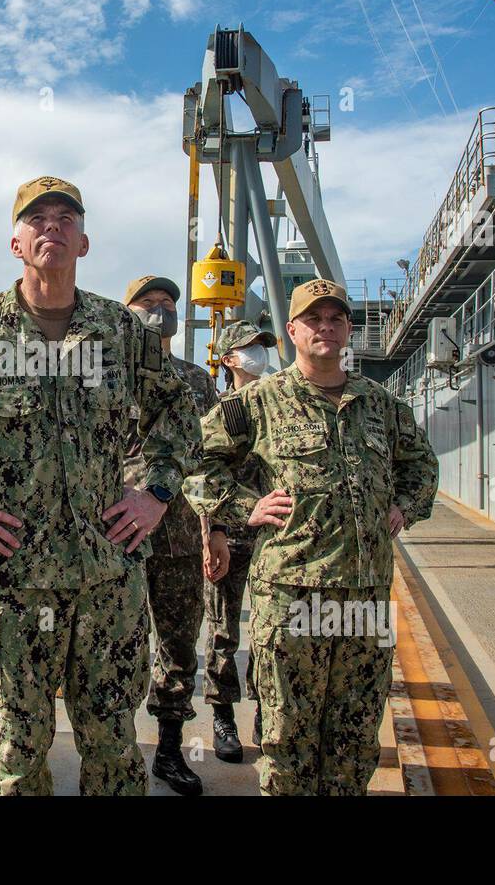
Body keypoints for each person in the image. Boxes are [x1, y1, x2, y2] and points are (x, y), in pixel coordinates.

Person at [0, 178, 198, 795]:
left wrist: (155, 494)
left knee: (112, 751)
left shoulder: (122, 332)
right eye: (37, 218)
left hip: (107, 582)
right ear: (15, 241)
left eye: (65, 218)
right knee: (16, 758)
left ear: (84, 242)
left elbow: (177, 412)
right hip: (10, 586)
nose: (51, 227)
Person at [191, 279, 438, 794]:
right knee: (288, 739)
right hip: (290, 595)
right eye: (313, 319)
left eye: (335, 319)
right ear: (292, 331)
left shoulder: (382, 405)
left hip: (366, 596)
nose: (325, 328)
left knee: (355, 740)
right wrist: (244, 508)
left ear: (348, 329)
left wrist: (403, 507)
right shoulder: (258, 403)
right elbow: (197, 462)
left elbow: (422, 466)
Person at [122, 275, 216, 795]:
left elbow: (210, 460)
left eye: (168, 304)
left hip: (180, 534)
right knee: (118, 647)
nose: (160, 311)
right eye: (148, 304)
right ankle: (115, 748)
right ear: (126, 312)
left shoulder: (197, 381)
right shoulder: (107, 374)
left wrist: (214, 529)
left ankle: (170, 748)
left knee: (179, 646)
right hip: (123, 537)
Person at [198, 319, 276, 763]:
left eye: (261, 347)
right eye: (248, 348)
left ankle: (268, 715)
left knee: (269, 635)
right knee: (224, 632)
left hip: (272, 543)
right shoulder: (222, 412)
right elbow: (206, 477)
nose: (258, 355)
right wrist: (214, 537)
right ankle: (223, 717)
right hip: (229, 538)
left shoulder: (280, 404)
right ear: (229, 360)